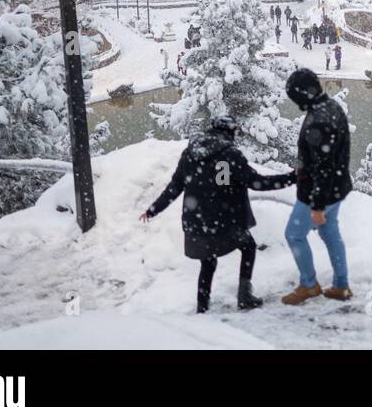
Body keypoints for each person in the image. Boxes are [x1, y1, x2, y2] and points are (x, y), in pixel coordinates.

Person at [140, 117, 295, 313]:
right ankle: (244, 295)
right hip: (225, 220)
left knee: (208, 261)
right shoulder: (229, 155)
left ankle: (202, 307)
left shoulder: (190, 154)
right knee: (247, 247)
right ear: (230, 132)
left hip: (197, 221)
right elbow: (257, 183)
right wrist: (291, 178)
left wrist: (153, 209)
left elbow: (174, 187)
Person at [281, 69, 353, 304]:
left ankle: (309, 284)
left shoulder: (318, 121)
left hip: (317, 193)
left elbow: (324, 168)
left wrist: (318, 206)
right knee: (330, 232)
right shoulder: (331, 107)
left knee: (294, 235)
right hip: (338, 188)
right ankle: (341, 285)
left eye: (294, 96)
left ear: (302, 94)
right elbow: (330, 160)